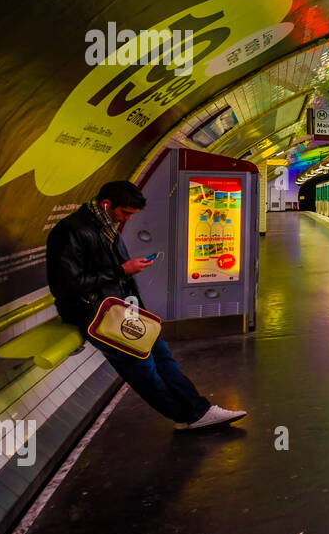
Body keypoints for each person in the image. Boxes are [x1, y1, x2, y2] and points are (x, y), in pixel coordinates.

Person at [46, 181, 247, 431]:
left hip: (120, 308)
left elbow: (112, 275)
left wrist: (137, 301)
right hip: (96, 313)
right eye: (124, 213)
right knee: (143, 370)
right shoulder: (71, 231)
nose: (125, 220)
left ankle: (199, 411)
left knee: (162, 356)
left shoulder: (105, 227)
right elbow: (67, 285)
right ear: (107, 204)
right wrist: (121, 269)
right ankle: (187, 416)